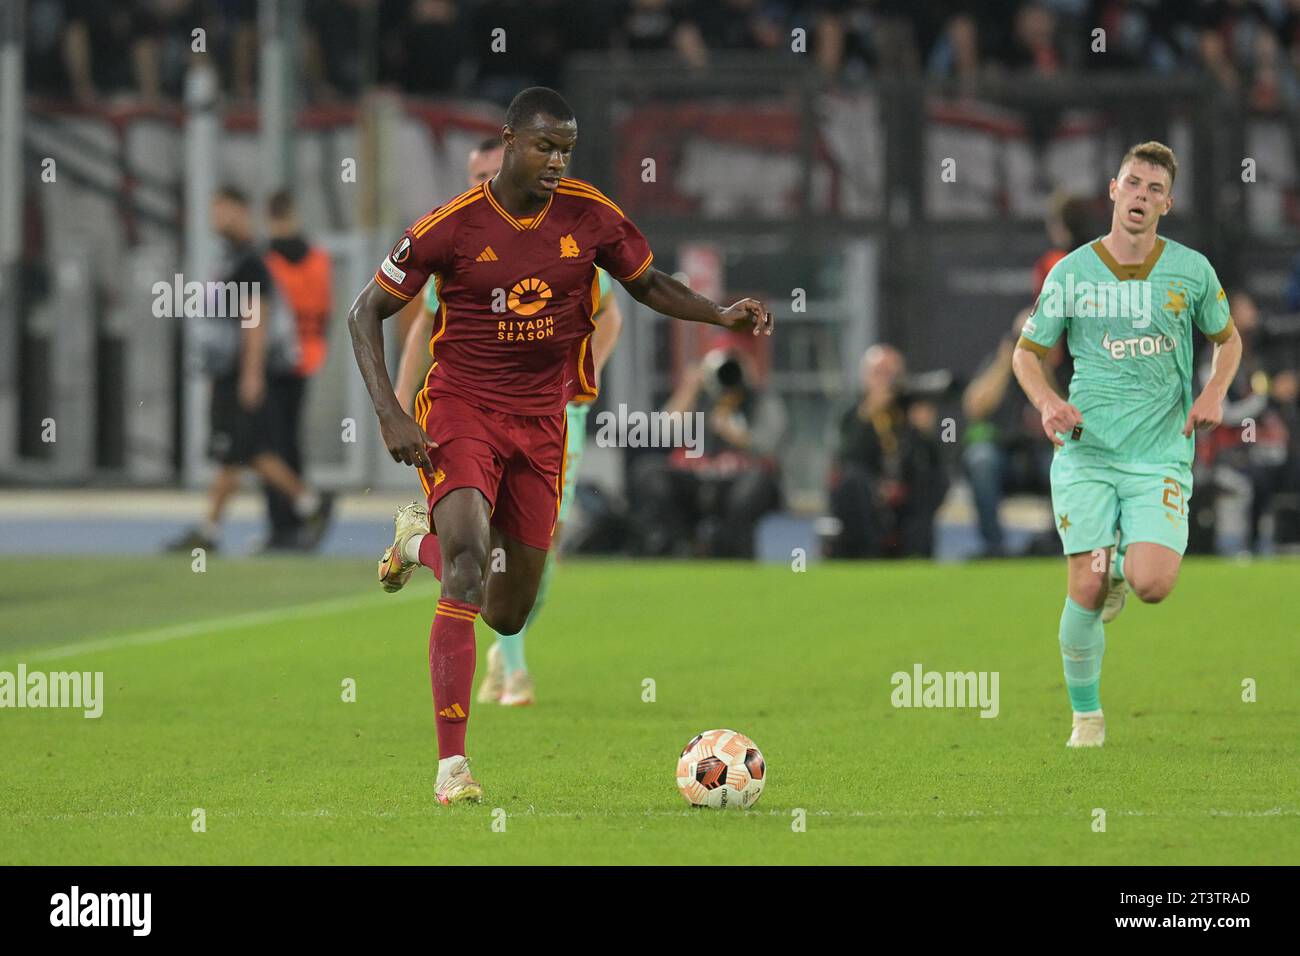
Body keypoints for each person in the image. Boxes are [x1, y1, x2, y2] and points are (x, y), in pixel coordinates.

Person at [346, 87, 773, 805]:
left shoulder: (590, 216)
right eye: (545, 146)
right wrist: (391, 413)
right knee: (468, 565)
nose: (556, 161)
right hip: (462, 409)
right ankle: (453, 770)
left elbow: (650, 284)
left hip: (544, 423)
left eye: (566, 150)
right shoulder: (450, 227)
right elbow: (365, 313)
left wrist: (719, 314)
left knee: (508, 610)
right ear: (509, 141)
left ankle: (412, 543)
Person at [1011, 141, 1242, 748]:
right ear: (1113, 191)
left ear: (1167, 203)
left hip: (1161, 452)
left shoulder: (1191, 271)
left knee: (1153, 585)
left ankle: (1120, 562)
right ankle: (1086, 717)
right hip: (1087, 450)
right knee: (1084, 586)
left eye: (1153, 189)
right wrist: (1047, 402)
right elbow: (1026, 354)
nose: (1141, 196)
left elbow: (1229, 339)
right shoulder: (1071, 272)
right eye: (1132, 184)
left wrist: (1215, 391)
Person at [392, 135, 626, 708]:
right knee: (475, 542)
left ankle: (495, 638)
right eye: (472, 177)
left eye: (487, 175)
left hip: (548, 417)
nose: (477, 186)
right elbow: (423, 324)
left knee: (539, 552)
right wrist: (398, 403)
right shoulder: (460, 242)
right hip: (473, 411)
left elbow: (609, 313)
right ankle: (512, 668)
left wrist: (575, 383)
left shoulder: (565, 240)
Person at [165, 186, 334, 554]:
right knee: (237, 452)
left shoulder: (249, 263)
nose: (216, 219)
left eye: (222, 210)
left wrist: (251, 374)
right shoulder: (233, 260)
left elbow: (255, 318)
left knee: (247, 450)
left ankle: (308, 503)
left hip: (241, 373)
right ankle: (212, 530)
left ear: (241, 211)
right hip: (232, 372)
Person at [629, 346, 785, 558]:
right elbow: (662, 432)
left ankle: (731, 548)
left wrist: (738, 434)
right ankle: (675, 546)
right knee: (649, 470)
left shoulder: (759, 400)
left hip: (737, 480)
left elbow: (770, 443)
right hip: (696, 476)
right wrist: (689, 389)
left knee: (755, 483)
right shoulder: (700, 397)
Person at [260, 189, 335, 551]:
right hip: (307, 357)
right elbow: (326, 311)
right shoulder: (318, 259)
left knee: (268, 446)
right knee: (289, 441)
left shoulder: (266, 261)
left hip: (271, 363)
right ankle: (298, 519)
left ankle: (286, 524)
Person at [828, 345, 949, 558]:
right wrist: (867, 416)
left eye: (892, 375)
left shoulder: (908, 412)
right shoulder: (852, 414)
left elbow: (935, 462)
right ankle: (869, 554)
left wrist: (924, 434)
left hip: (905, 494)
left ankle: (917, 555)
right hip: (866, 491)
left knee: (932, 480)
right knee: (852, 482)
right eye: (879, 374)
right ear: (865, 378)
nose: (886, 381)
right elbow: (846, 457)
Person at [961, 308, 1060, 557]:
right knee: (980, 458)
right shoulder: (997, 365)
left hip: (1043, 452)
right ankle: (994, 546)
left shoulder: (1061, 364)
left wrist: (1040, 367)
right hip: (1002, 454)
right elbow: (973, 407)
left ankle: (1059, 542)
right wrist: (1007, 363)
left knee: (1063, 462)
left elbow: (1069, 412)